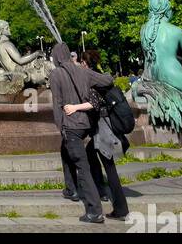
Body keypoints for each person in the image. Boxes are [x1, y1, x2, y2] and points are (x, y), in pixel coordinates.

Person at [50, 41, 117, 224]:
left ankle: (94, 211)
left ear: (56, 57)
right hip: (85, 123)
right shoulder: (83, 70)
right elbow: (108, 80)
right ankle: (70, 189)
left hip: (71, 126)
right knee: (65, 151)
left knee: (82, 167)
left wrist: (61, 127)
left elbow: (57, 105)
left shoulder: (56, 74)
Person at [79, 48, 130, 219]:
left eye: (81, 62)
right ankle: (100, 191)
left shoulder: (93, 80)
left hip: (103, 130)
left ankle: (121, 209)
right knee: (90, 155)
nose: (80, 65)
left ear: (85, 63)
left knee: (110, 168)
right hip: (103, 128)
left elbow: (94, 104)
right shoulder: (102, 76)